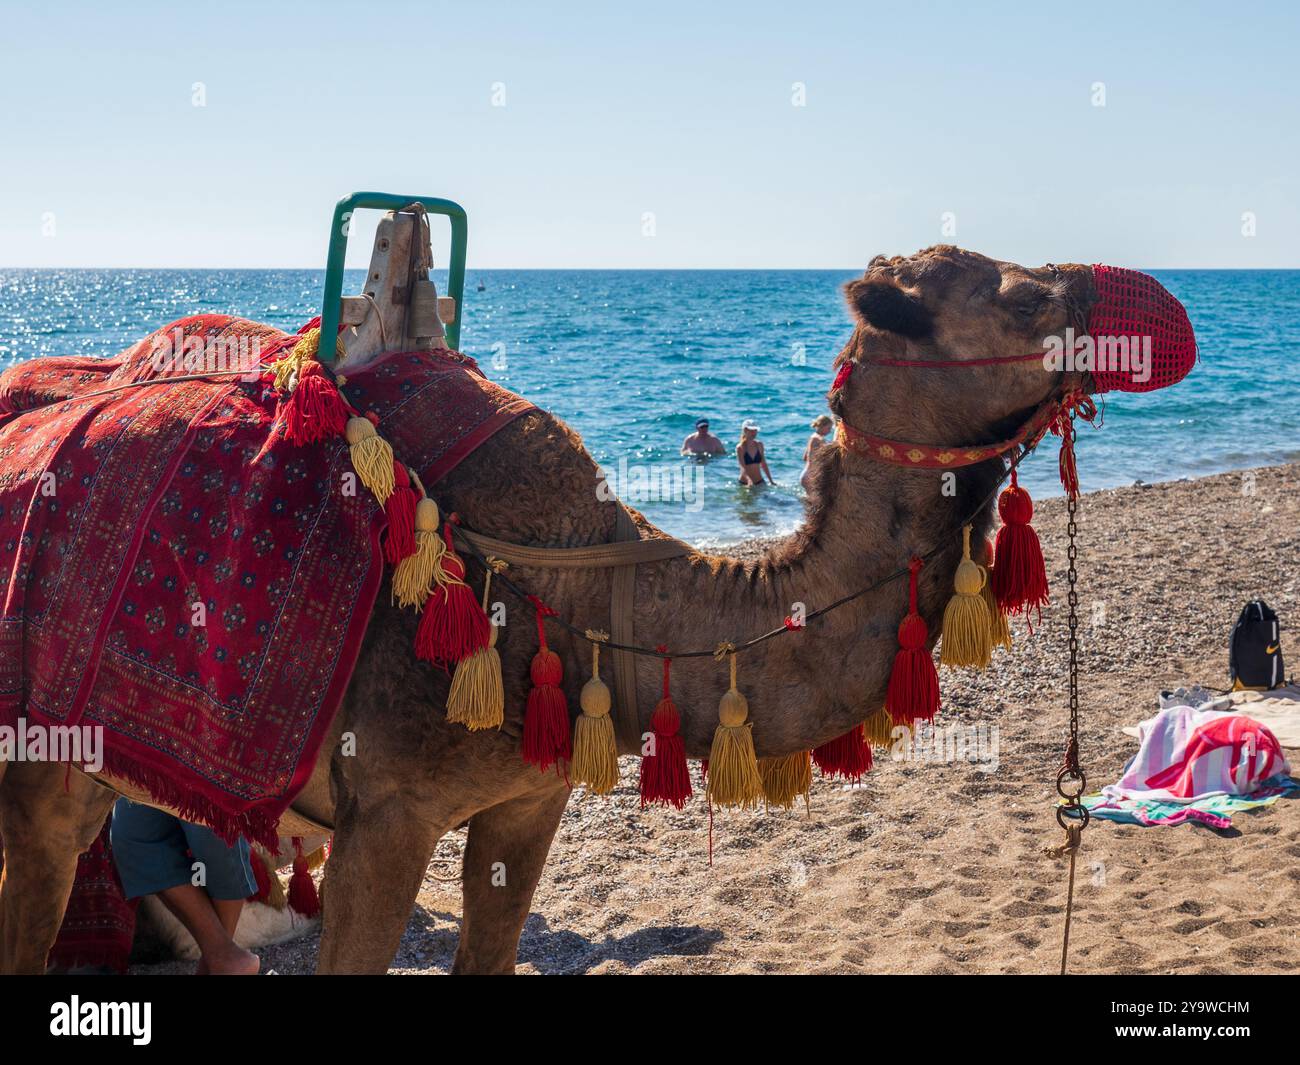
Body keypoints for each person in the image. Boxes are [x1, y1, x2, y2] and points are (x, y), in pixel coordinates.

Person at [109, 798, 260, 975]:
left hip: (210, 772)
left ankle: (219, 962)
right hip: (149, 770)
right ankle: (223, 955)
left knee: (211, 835)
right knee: (131, 837)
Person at [736, 420, 775, 486]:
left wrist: (771, 481)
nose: (754, 433)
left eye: (755, 430)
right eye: (751, 430)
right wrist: (748, 479)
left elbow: (764, 464)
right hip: (745, 483)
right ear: (745, 431)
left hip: (759, 481)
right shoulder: (740, 448)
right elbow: (742, 467)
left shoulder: (759, 445)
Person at [801, 414, 835, 489]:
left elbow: (804, 458)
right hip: (811, 476)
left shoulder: (812, 437)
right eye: (829, 428)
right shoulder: (819, 439)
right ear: (822, 426)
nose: (829, 431)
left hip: (805, 474)